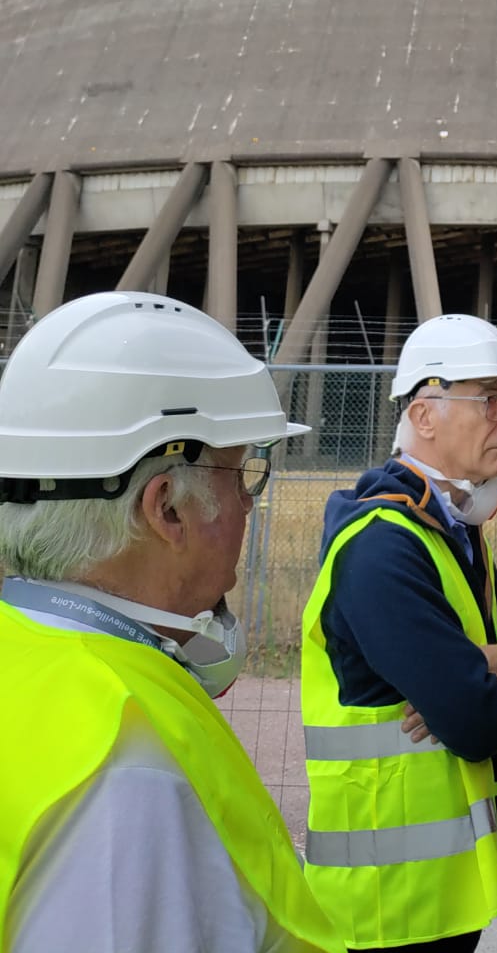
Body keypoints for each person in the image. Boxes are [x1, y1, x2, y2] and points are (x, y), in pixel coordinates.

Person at [0, 290, 344, 953]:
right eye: (240, 474)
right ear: (169, 510)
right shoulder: (129, 765)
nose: (248, 504)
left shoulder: (28, 657)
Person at [300, 312, 497, 953]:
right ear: (425, 414)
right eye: (492, 400)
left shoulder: (448, 532)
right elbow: (476, 721)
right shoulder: (383, 550)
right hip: (384, 905)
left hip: (436, 895)